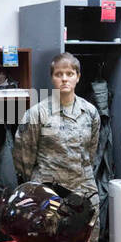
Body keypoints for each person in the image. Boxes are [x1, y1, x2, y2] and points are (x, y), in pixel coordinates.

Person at [13, 52, 100, 217]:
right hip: (48, 192)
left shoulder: (90, 112)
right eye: (59, 74)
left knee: (87, 240)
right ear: (52, 78)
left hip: (84, 190)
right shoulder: (36, 114)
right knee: (49, 239)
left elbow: (91, 152)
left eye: (70, 74)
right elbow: (24, 159)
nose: (65, 79)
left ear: (78, 77)